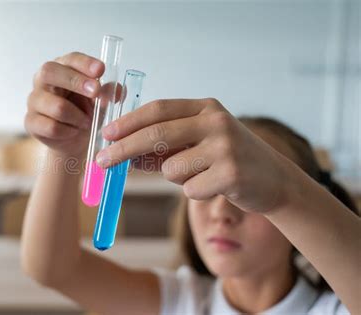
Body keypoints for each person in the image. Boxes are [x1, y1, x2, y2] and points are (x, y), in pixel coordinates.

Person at [21, 52, 360, 314]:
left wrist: (286, 194)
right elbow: (55, 268)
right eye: (209, 188)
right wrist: (64, 148)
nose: (221, 214)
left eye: (252, 197)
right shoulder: (183, 301)